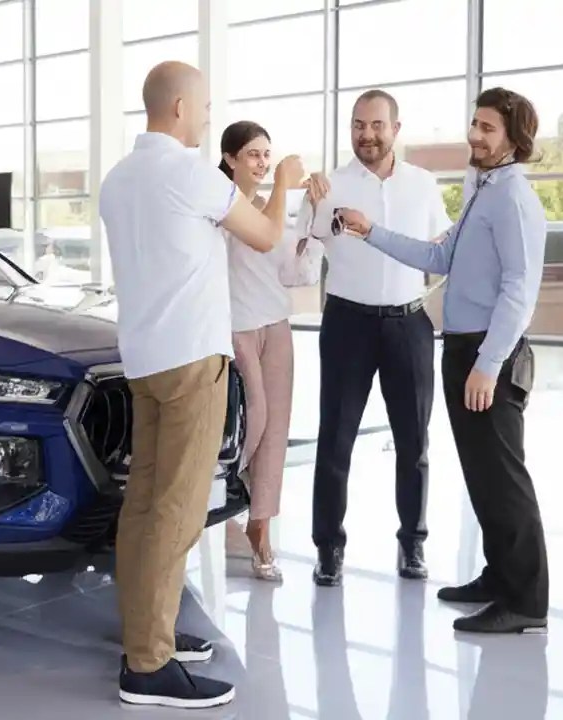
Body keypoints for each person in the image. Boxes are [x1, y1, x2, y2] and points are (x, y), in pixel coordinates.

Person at [98, 60, 304, 709]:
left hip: (144, 361)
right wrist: (285, 182)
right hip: (191, 362)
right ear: (181, 107)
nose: (209, 118)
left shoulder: (117, 179)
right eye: (206, 107)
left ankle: (145, 632)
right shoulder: (190, 173)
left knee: (143, 504)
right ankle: (148, 664)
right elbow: (267, 235)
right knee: (179, 509)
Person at [336, 87, 549, 634]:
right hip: (462, 347)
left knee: (504, 478)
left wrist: (488, 364)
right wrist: (369, 229)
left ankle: (526, 602)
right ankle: (500, 577)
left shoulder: (513, 198)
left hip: (486, 352)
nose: (474, 135)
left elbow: (520, 291)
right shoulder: (482, 189)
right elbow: (438, 256)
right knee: (482, 475)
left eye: (488, 128)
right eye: (474, 124)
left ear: (514, 138)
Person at [299, 89, 452, 587]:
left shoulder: (422, 184)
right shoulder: (329, 186)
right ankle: (328, 548)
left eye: (376, 125)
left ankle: (413, 543)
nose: (367, 135)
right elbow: (303, 252)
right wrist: (308, 208)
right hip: (348, 324)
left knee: (414, 442)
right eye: (358, 125)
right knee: (335, 440)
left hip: (409, 324)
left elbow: (441, 246)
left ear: (395, 129)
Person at [218, 120, 324, 581]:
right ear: (230, 159)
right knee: (254, 421)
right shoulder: (221, 206)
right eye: (253, 154)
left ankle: (260, 527)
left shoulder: (272, 207)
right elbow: (255, 236)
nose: (262, 163)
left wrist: (314, 222)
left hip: (276, 325)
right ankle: (225, 496)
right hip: (237, 328)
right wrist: (283, 186)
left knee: (276, 431)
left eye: (267, 154)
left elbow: (296, 273)